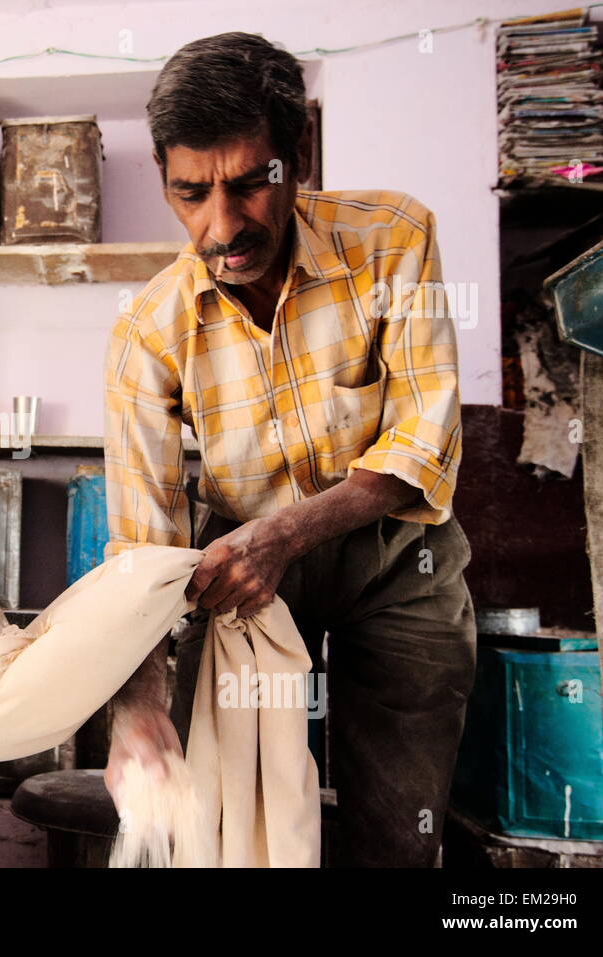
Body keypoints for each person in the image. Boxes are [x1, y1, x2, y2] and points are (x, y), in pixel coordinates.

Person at [102, 31, 475, 867]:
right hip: (244, 577)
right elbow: (141, 548)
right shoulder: (146, 334)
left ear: (297, 155)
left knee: (401, 829)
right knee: (231, 820)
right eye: (190, 193)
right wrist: (137, 707)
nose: (221, 225)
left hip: (398, 558)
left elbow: (424, 437)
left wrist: (288, 533)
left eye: (246, 184)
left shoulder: (393, 239)